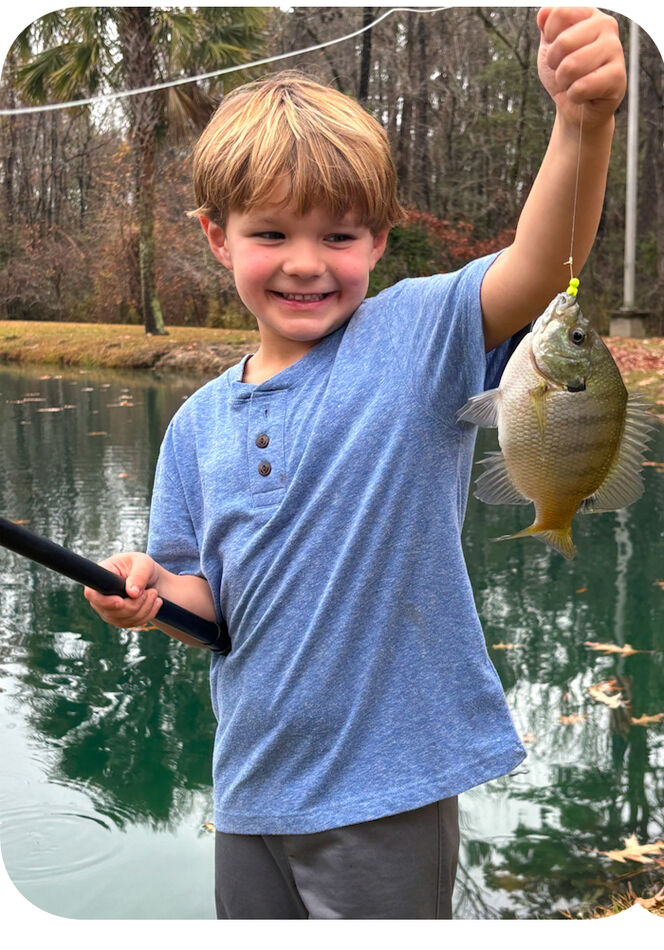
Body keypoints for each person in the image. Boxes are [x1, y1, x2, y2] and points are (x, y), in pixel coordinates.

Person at [84, 7, 626, 919]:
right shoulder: (194, 429)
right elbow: (207, 603)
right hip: (251, 790)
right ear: (218, 237)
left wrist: (584, 119)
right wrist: (143, 592)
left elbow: (541, 266)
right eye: (271, 235)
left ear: (379, 240)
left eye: (339, 237)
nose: (307, 264)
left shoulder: (415, 336)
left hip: (390, 793)